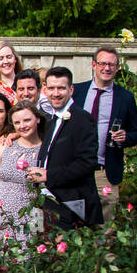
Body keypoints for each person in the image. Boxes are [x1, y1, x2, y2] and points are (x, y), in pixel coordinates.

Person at [74, 46, 137, 221]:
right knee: (73, 224)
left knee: (106, 228)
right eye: (103, 63)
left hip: (105, 172)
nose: (107, 68)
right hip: (75, 169)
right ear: (94, 65)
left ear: (117, 68)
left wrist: (126, 137)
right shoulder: (76, 92)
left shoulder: (125, 97)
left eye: (112, 65)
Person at [31, 66, 102, 228]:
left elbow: (87, 163)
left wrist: (49, 175)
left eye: (61, 88)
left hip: (71, 206)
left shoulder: (82, 119)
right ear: (45, 90)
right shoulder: (51, 121)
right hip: (49, 203)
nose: (56, 93)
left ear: (71, 90)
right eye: (51, 88)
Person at [0, 101, 45, 241]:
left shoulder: (45, 150)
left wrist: (40, 226)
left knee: (31, 251)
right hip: (1, 214)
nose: (22, 126)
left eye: (27, 120)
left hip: (32, 215)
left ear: (38, 119)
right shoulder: (6, 145)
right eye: (17, 122)